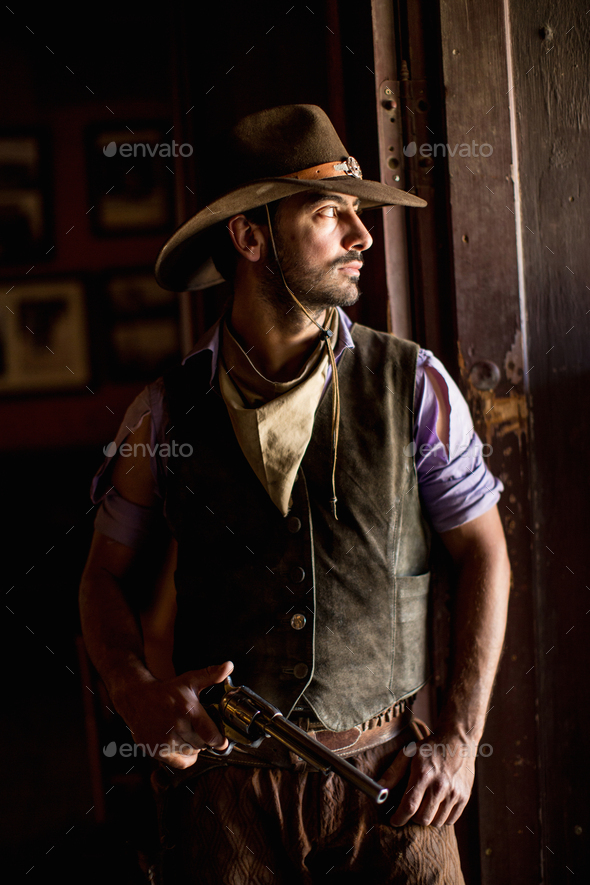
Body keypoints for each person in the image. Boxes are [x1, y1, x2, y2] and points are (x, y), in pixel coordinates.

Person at [79, 104, 510, 884]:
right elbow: (102, 573)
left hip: (394, 795)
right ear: (250, 238)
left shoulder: (411, 384)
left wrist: (458, 742)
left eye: (358, 213)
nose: (362, 236)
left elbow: (485, 552)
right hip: (225, 806)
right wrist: (131, 691)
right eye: (327, 213)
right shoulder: (167, 411)